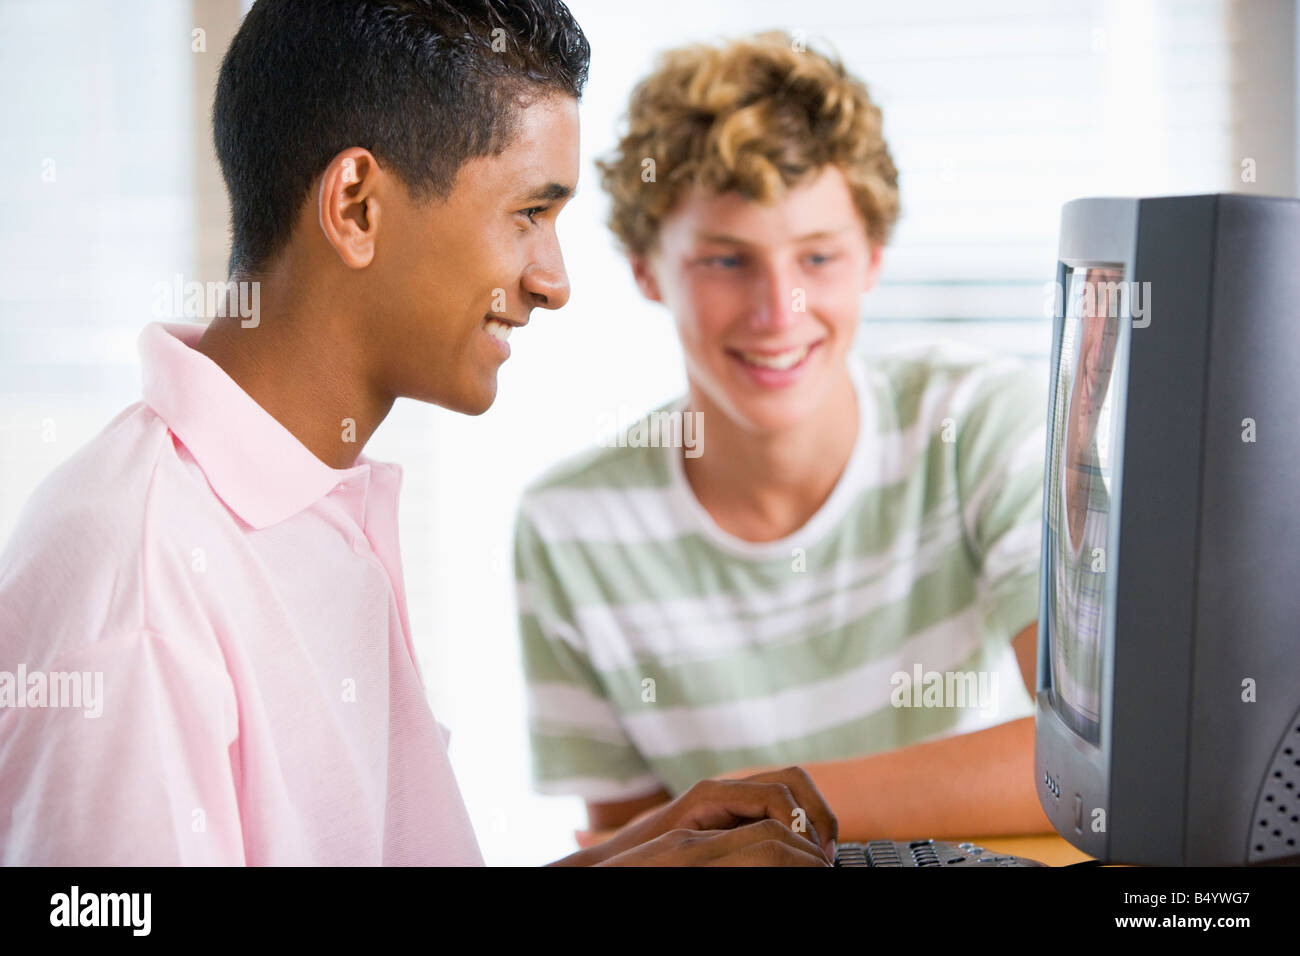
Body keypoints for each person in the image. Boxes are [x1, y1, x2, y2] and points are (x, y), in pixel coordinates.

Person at [0, 0, 836, 867]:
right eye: (528, 213)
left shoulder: (314, 500)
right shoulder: (138, 586)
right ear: (356, 206)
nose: (554, 282)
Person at [514, 31, 1052, 841]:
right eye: (726, 262)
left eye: (819, 258)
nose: (779, 313)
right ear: (646, 269)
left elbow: (1094, 762)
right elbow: (644, 852)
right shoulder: (571, 528)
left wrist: (759, 799)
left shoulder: (978, 426)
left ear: (872, 256)